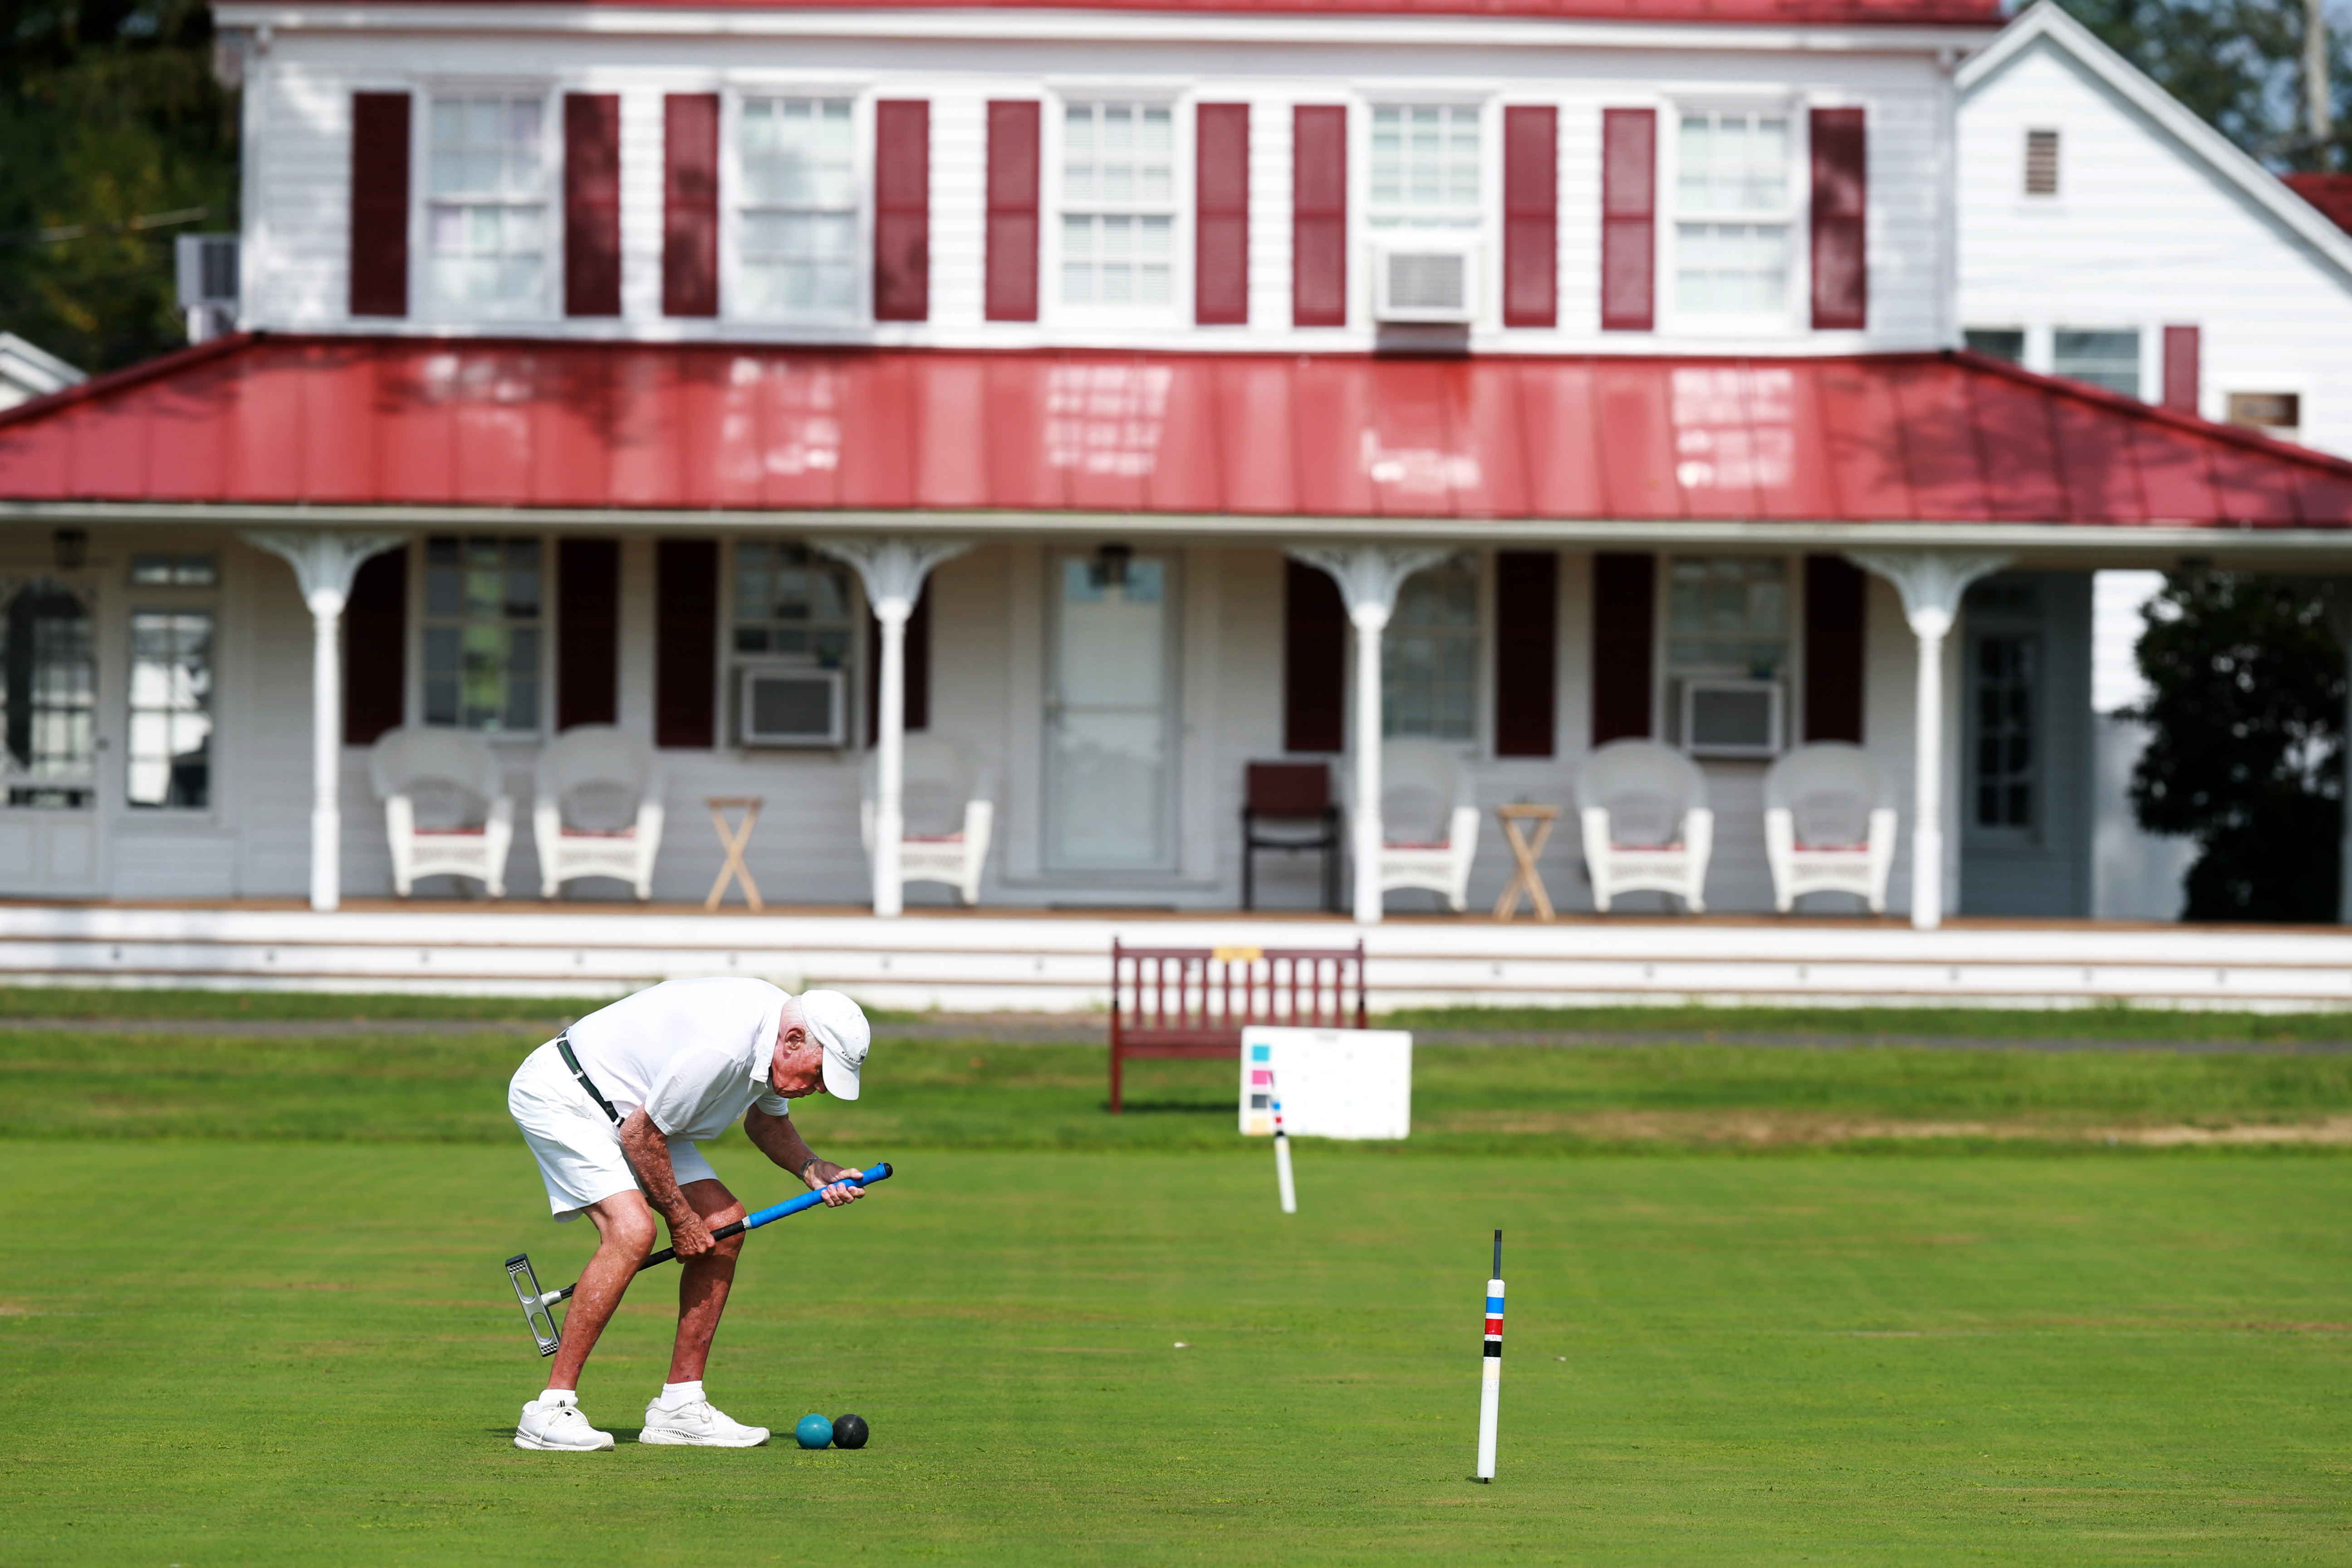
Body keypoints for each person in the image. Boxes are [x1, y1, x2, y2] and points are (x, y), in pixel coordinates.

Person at [505, 977, 872, 1451]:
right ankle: (548, 1410)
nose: (819, 1088)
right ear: (796, 1040)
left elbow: (766, 1120)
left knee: (725, 1229)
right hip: (568, 1094)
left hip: (639, 1112)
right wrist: (681, 1220)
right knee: (633, 1230)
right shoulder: (723, 1049)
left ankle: (679, 1406)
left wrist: (811, 1167)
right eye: (819, 1074)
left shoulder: (778, 1038)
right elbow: (641, 1137)